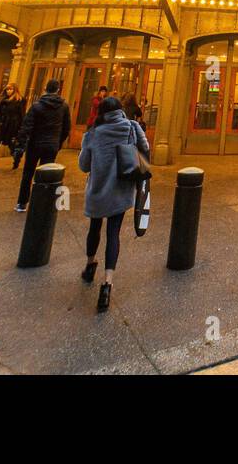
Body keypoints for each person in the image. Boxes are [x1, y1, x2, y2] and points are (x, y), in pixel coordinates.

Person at [79, 95, 148, 313]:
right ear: (121, 110)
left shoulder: (93, 132)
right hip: (120, 190)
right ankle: (107, 283)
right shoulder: (131, 126)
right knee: (113, 234)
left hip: (98, 191)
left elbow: (83, 164)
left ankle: (90, 264)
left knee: (94, 228)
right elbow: (146, 151)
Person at [15, 79, 72, 212]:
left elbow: (26, 126)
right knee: (46, 175)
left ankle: (22, 203)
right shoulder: (63, 106)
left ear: (45, 88)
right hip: (52, 144)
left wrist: (20, 144)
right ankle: (41, 203)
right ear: (58, 89)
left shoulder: (36, 106)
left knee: (28, 173)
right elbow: (66, 128)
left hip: (35, 143)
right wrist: (59, 142)